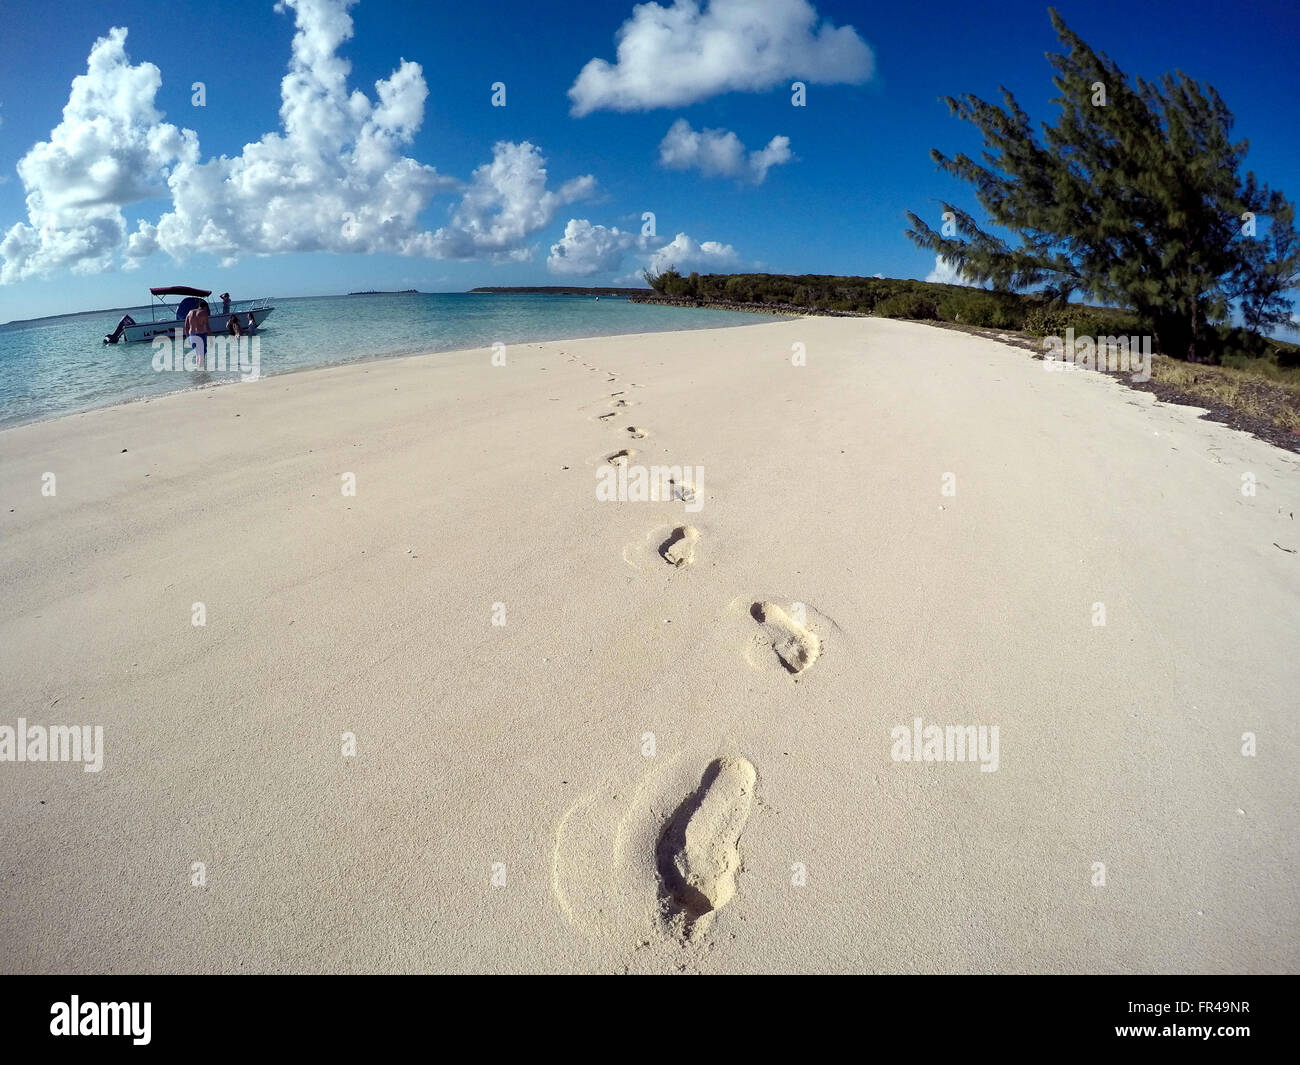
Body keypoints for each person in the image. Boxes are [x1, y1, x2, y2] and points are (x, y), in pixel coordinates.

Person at [183, 299, 211, 369]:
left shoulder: (190, 312)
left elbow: (186, 326)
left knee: (197, 354)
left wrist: (188, 338)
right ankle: (201, 375)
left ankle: (198, 374)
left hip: (192, 336)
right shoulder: (203, 313)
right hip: (200, 336)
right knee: (201, 356)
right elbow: (207, 327)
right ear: (205, 307)